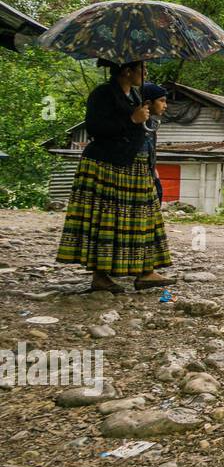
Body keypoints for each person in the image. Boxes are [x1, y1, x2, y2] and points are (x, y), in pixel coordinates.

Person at [57, 60, 175, 293]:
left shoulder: (136, 95)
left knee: (144, 217)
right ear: (126, 70)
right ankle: (100, 276)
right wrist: (131, 119)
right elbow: (95, 128)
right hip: (107, 165)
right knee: (106, 219)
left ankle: (145, 271)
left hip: (135, 165)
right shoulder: (102, 94)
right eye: (142, 69)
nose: (146, 73)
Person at [139, 82, 168, 205]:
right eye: (161, 101)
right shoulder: (136, 122)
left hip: (150, 173)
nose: (165, 105)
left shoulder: (151, 124)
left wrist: (153, 168)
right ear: (148, 103)